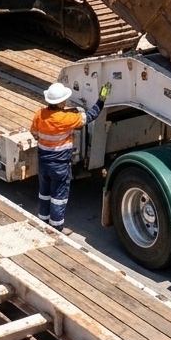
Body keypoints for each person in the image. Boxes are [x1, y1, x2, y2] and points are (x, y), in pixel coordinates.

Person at [29, 82, 109, 232]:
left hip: (44, 163)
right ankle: (56, 228)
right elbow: (90, 116)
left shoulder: (39, 114)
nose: (65, 102)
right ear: (60, 103)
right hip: (60, 166)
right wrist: (101, 99)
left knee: (45, 194)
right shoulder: (66, 119)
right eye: (64, 100)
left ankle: (43, 222)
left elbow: (34, 133)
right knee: (59, 198)